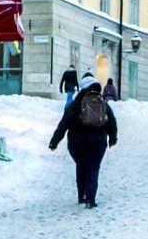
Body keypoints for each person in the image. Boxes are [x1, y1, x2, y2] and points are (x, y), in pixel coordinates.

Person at [49, 73, 118, 207]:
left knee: (81, 167)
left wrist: (54, 142)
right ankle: (90, 199)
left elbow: (63, 124)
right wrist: (112, 138)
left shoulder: (75, 104)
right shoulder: (102, 102)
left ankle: (82, 196)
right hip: (98, 142)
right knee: (93, 168)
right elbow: (112, 122)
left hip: (77, 143)